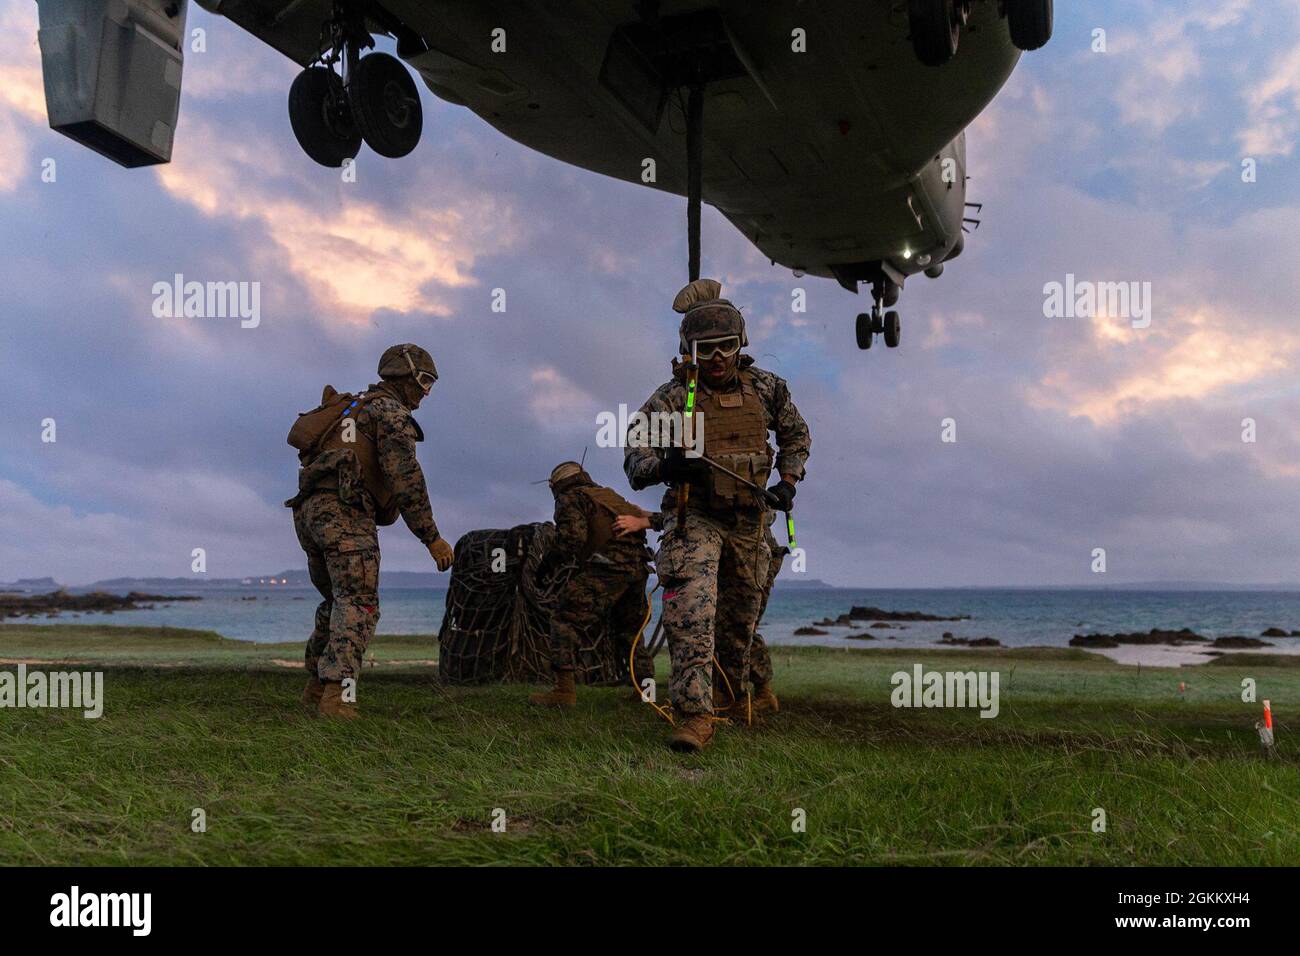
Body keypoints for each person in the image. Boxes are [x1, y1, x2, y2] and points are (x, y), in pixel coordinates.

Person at [623, 279, 810, 752]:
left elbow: (796, 435)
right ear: (689, 351)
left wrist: (787, 481)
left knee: (738, 623)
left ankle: (732, 697)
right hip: (695, 520)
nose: (718, 358)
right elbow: (634, 458)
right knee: (692, 613)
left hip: (750, 522)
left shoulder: (767, 389)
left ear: (741, 344)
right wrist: (667, 465)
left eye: (727, 347)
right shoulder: (670, 399)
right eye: (706, 350)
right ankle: (694, 716)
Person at [285, 344, 454, 718]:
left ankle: (316, 688)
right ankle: (337, 698)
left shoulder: (352, 408)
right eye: (424, 382)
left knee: (336, 603)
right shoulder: (390, 413)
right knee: (358, 604)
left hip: (309, 515)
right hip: (345, 516)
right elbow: (406, 479)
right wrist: (432, 537)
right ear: (404, 376)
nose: (426, 393)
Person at [530, 462, 655, 707]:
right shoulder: (608, 495)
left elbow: (572, 539)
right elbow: (646, 518)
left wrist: (546, 567)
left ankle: (563, 692)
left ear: (554, 485)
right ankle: (646, 694)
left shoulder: (570, 498)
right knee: (631, 631)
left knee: (565, 620)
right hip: (638, 568)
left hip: (608, 567)